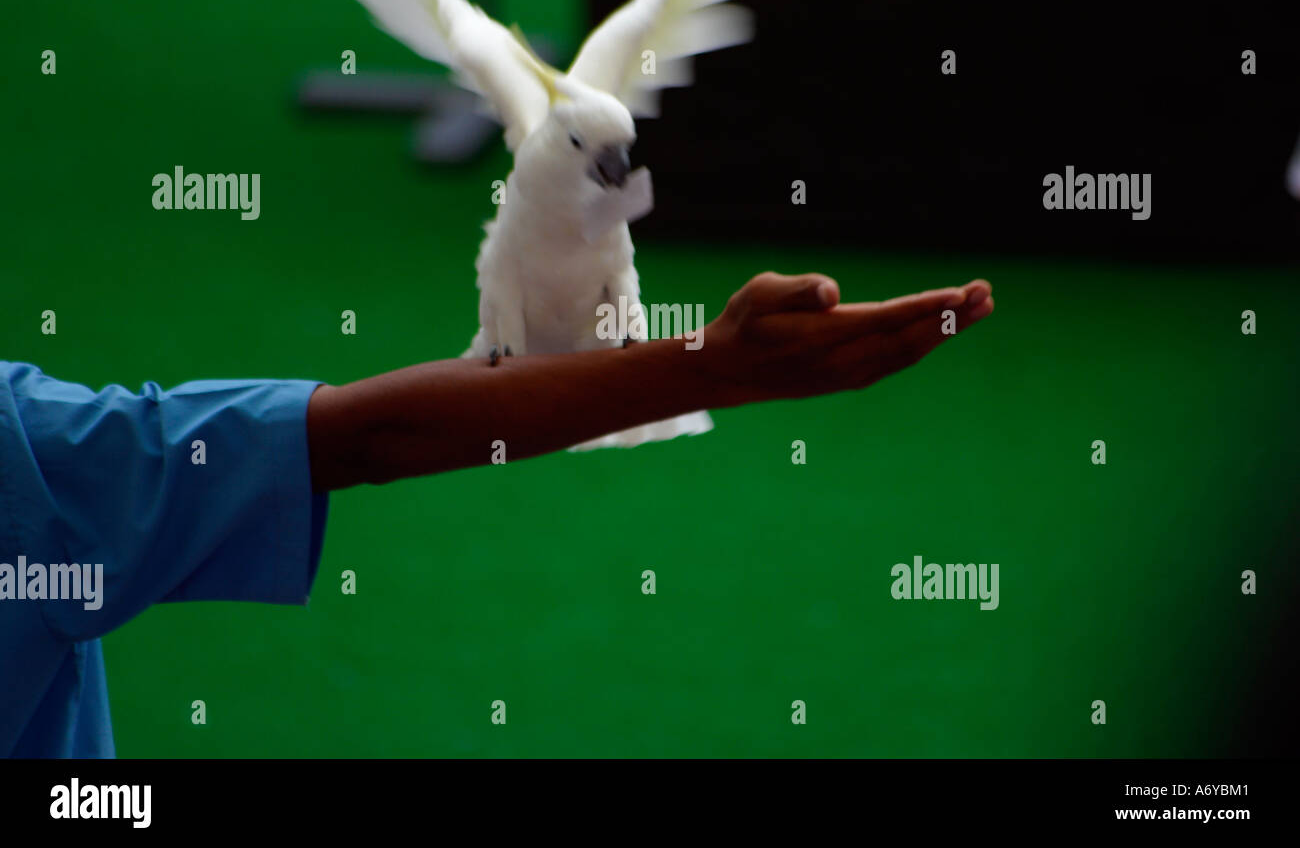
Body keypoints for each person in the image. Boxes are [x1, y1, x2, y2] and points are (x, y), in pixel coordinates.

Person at [0, 271, 993, 757]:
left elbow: (357, 435)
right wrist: (715, 368)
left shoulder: (38, 450)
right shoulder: (33, 450)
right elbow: (359, 436)